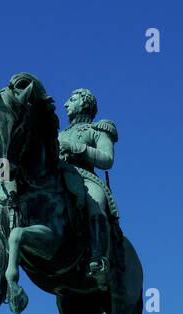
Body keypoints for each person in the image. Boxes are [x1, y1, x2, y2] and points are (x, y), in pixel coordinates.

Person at [58, 88, 121, 279]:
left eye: (71, 99)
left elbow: (107, 159)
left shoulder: (98, 129)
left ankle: (99, 259)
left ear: (84, 103)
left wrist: (76, 148)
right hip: (58, 175)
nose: (66, 104)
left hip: (85, 177)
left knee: (96, 206)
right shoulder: (57, 134)